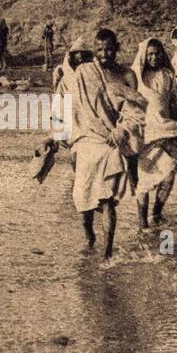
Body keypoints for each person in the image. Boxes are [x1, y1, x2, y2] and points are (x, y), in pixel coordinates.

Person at [70, 28, 146, 257]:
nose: (105, 54)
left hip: (113, 143)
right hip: (89, 140)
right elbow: (79, 109)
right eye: (100, 50)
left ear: (117, 49)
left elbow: (136, 110)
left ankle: (107, 251)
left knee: (108, 200)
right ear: (94, 51)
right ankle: (89, 236)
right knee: (83, 201)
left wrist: (121, 131)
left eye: (109, 49)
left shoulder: (127, 75)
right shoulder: (84, 72)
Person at [131, 37, 177, 227]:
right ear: (144, 56)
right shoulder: (136, 78)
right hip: (146, 135)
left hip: (167, 131)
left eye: (157, 53)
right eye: (150, 54)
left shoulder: (168, 75)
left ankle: (157, 212)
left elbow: (174, 103)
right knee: (144, 181)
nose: (154, 57)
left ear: (162, 55)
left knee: (169, 175)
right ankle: (142, 222)